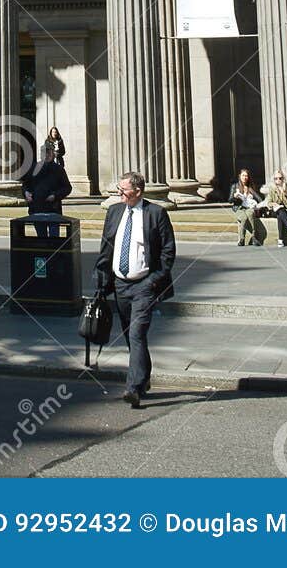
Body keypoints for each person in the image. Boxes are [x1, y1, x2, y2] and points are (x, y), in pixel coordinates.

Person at [95, 172, 176, 408]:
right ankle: (143, 377)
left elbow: (167, 251)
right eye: (118, 189)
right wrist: (101, 278)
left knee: (137, 334)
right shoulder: (114, 212)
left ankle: (133, 388)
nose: (119, 193)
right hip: (120, 284)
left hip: (144, 285)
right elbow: (106, 247)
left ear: (138, 191)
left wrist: (154, 280)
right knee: (132, 336)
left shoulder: (155, 213)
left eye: (123, 190)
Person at [22, 141, 73, 238]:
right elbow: (25, 185)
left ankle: (54, 253)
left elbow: (67, 188)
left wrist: (55, 196)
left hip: (53, 209)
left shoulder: (59, 169)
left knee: (53, 239)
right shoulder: (33, 168)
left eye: (48, 152)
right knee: (41, 238)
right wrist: (26, 193)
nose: (46, 155)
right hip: (37, 208)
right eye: (43, 152)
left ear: (52, 154)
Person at [230, 169, 266, 246]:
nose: (245, 177)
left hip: (249, 207)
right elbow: (230, 200)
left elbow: (259, 198)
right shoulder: (235, 186)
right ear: (239, 176)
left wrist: (262, 205)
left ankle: (254, 237)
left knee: (250, 214)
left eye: (246, 176)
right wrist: (235, 197)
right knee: (244, 218)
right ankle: (242, 239)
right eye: (243, 175)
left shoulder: (250, 187)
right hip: (238, 208)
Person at [264, 170, 287, 247]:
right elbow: (268, 202)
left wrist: (285, 193)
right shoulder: (272, 189)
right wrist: (274, 204)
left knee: (280, 215)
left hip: (286, 210)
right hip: (275, 210)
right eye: (276, 178)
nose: (278, 180)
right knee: (279, 211)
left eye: (280, 178)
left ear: (283, 179)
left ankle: (280, 240)